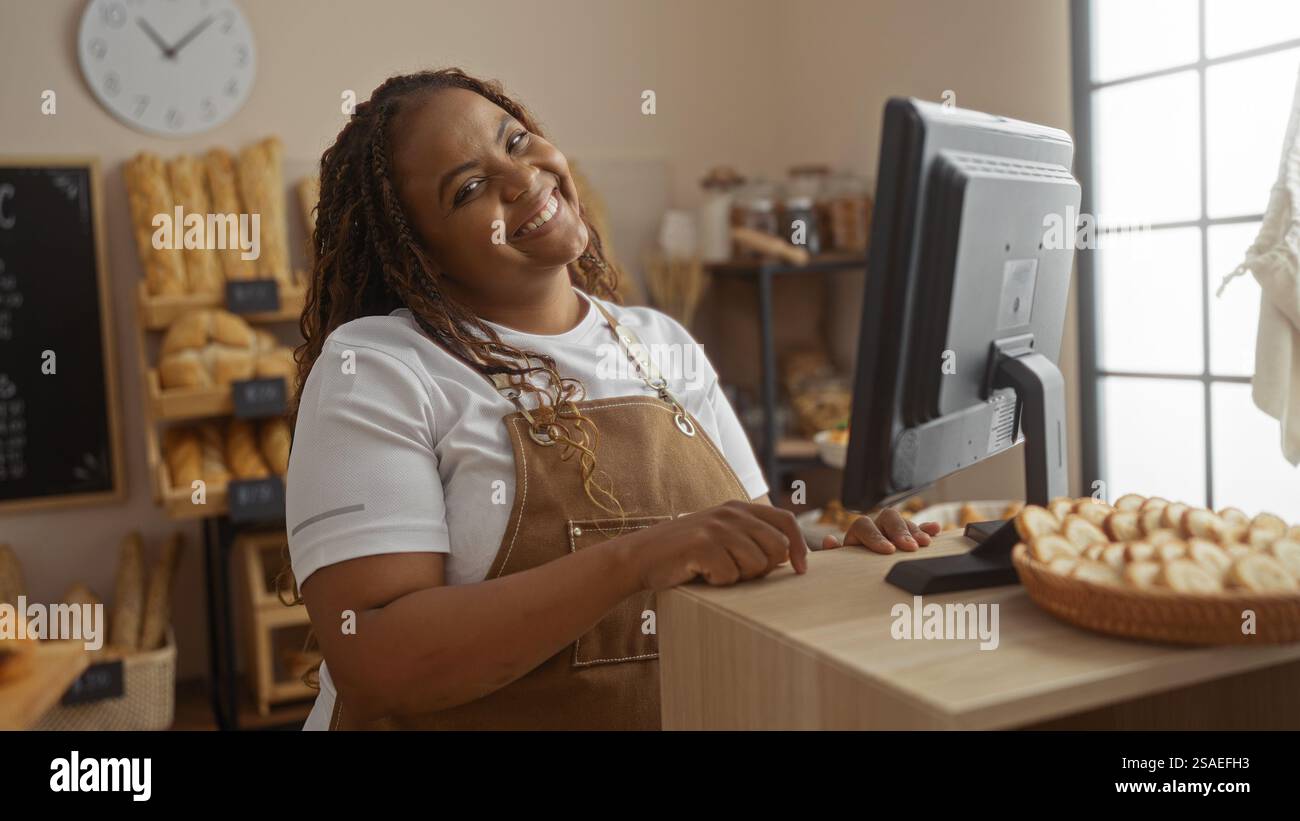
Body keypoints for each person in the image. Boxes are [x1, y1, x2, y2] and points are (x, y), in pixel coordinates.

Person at [286, 68, 939, 730]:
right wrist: (634, 559)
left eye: (514, 141)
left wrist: (831, 547)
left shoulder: (657, 341)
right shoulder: (378, 368)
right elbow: (374, 660)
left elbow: (748, 545)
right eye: (470, 189)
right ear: (421, 253)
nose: (521, 178)